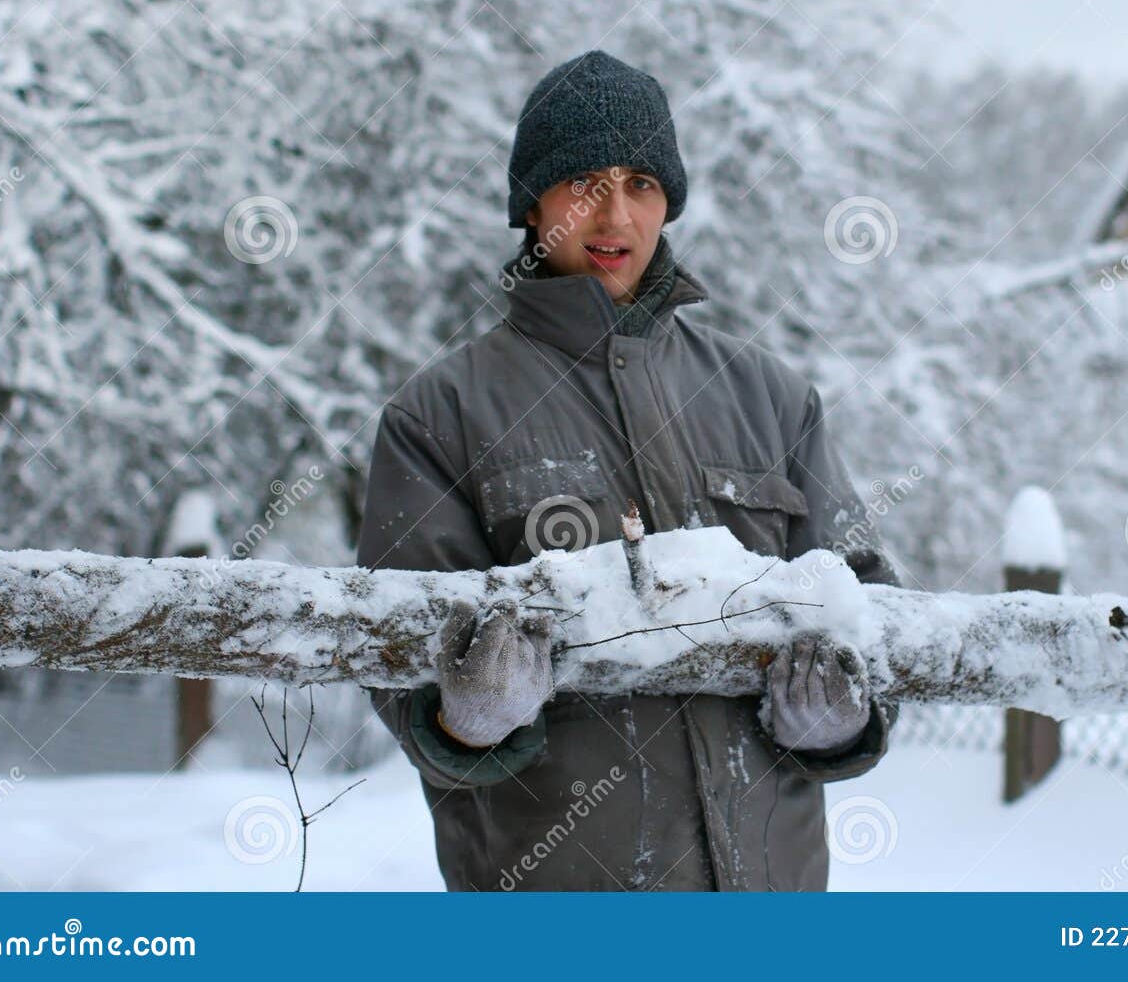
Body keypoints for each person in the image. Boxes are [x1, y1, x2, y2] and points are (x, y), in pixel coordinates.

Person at [358, 49, 901, 891]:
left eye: (642, 183)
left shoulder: (772, 397)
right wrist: (464, 717)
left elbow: (873, 606)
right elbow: (395, 661)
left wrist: (842, 716)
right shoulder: (440, 416)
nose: (615, 212)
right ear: (531, 206)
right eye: (584, 182)